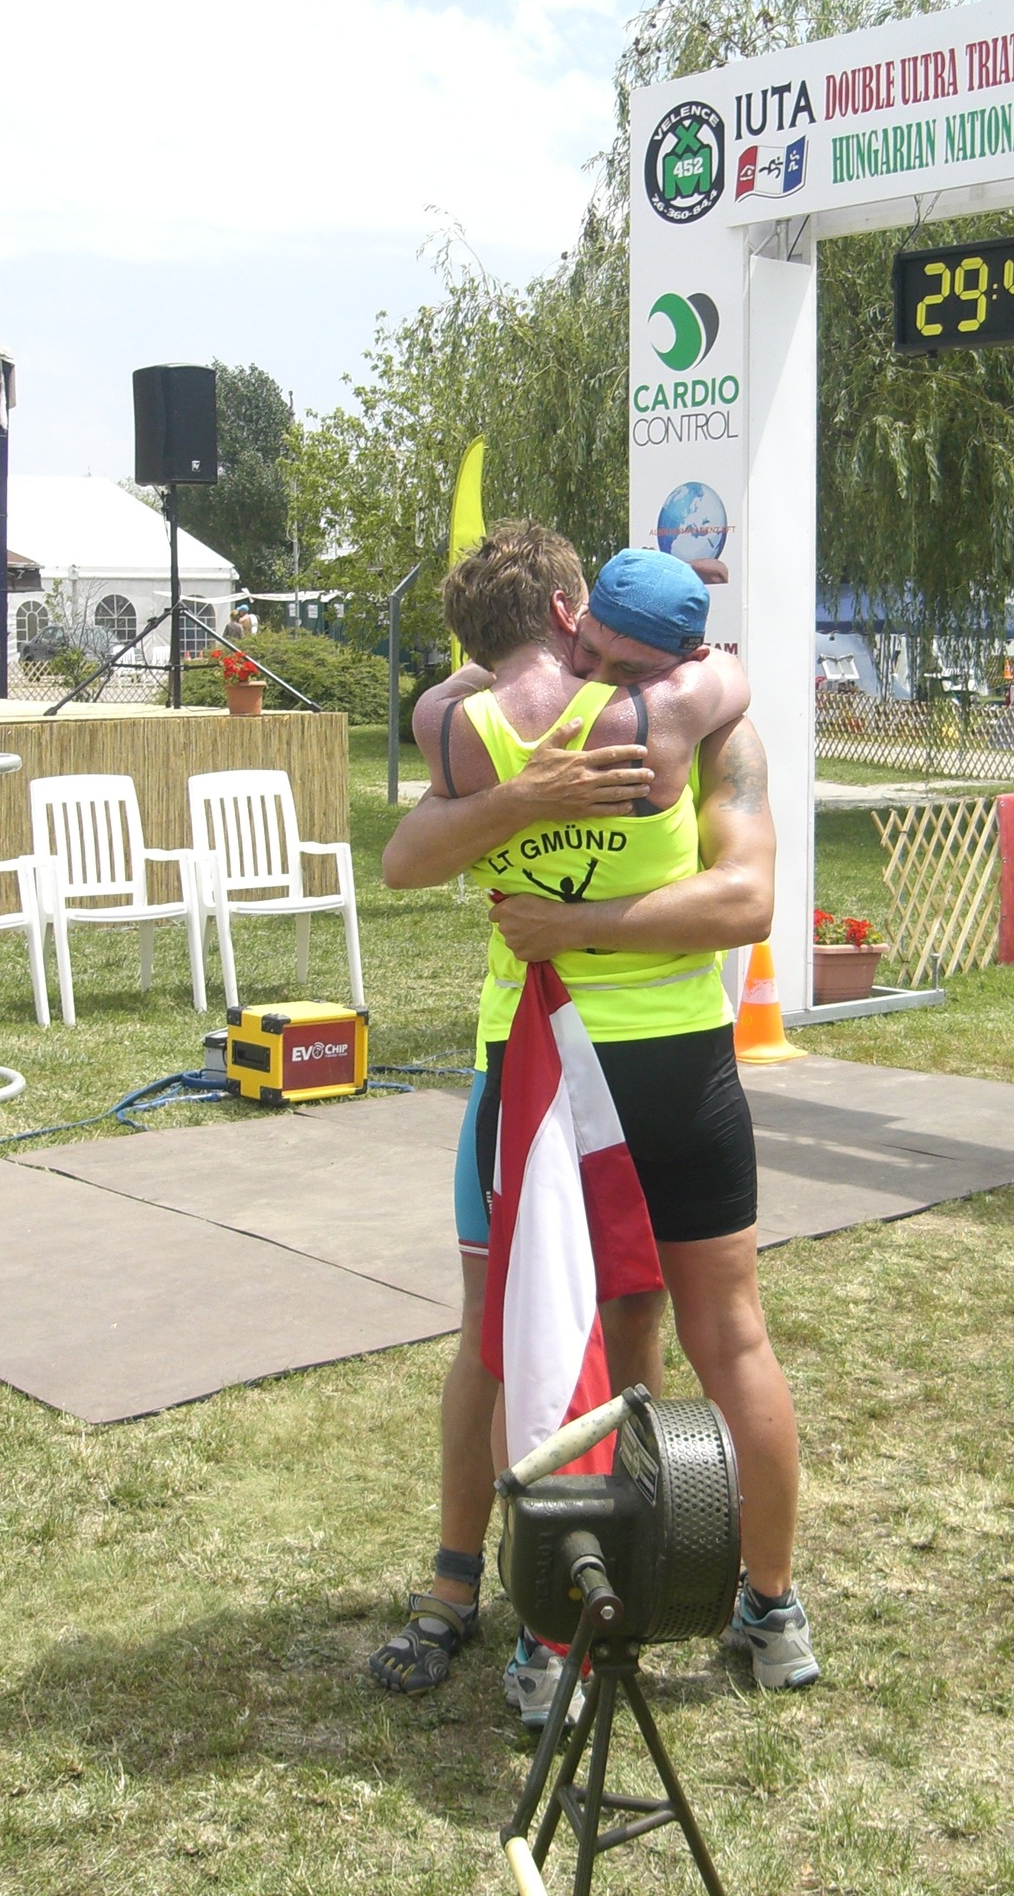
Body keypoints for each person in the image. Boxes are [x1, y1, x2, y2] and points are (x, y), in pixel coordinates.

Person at [367, 522, 818, 1717]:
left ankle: (532, 1620)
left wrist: (564, 911)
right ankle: (764, 1607)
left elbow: (407, 853)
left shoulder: (468, 728)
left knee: (523, 1343)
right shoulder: (698, 715)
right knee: (722, 1338)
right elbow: (746, 895)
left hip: (542, 1072)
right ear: (570, 605)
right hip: (669, 1069)